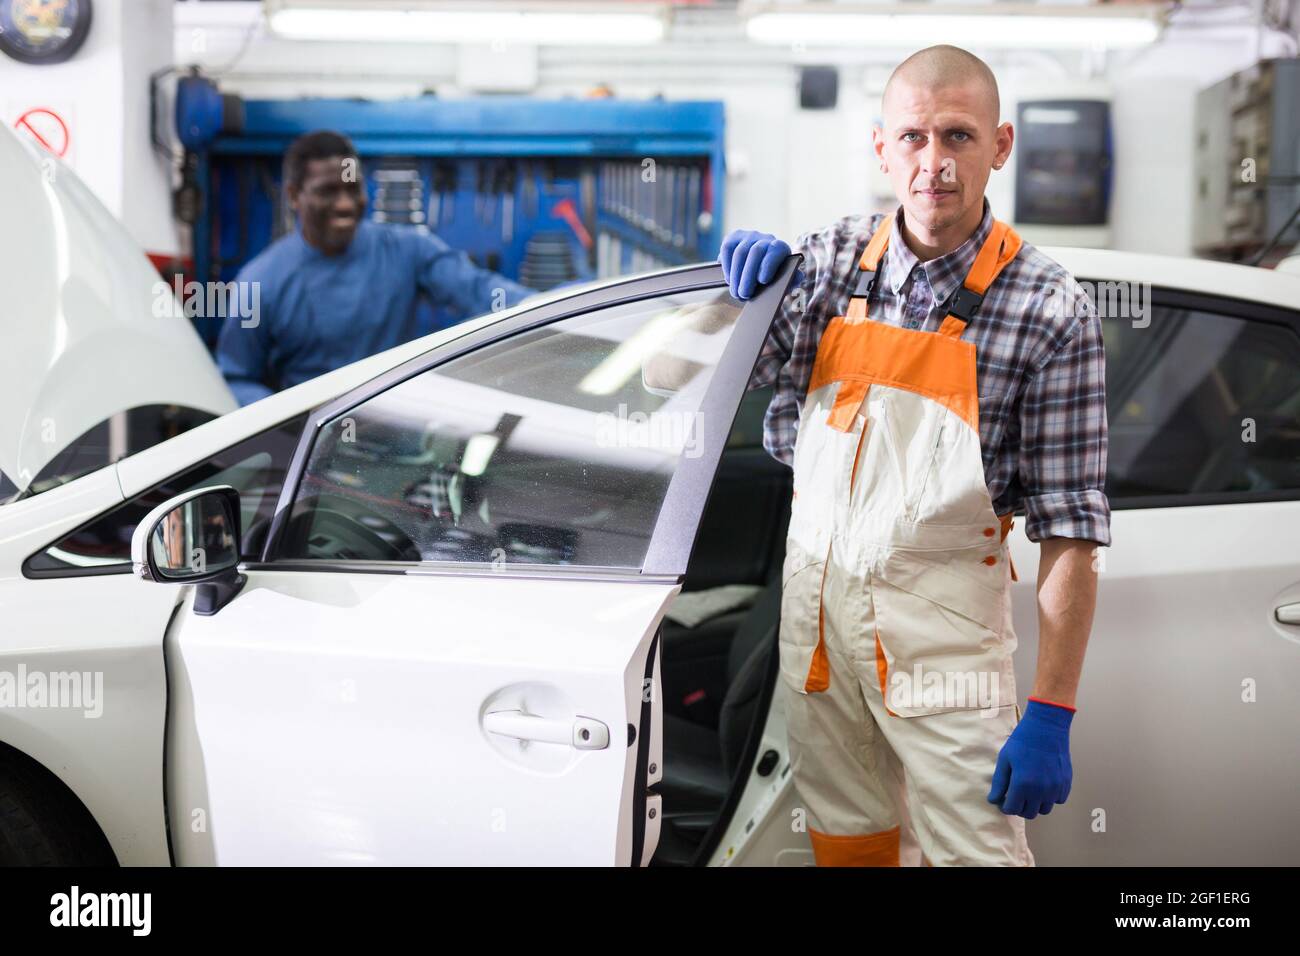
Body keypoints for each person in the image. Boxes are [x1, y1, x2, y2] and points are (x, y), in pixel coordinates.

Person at [718, 45, 1109, 866]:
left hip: (946, 664)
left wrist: (1052, 710)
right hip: (818, 650)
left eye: (959, 136)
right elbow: (676, 382)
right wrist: (730, 301)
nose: (935, 163)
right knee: (849, 848)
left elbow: (1071, 528)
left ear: (1000, 145)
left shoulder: (1049, 308)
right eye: (914, 137)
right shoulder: (826, 264)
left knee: (974, 857)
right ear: (882, 148)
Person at [216, 131, 534, 405]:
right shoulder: (259, 283)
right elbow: (236, 379)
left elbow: (481, 291)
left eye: (353, 188)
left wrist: (549, 303)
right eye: (328, 191)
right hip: (307, 443)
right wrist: (289, 426)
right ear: (293, 196)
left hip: (398, 432)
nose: (345, 204)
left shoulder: (409, 249)